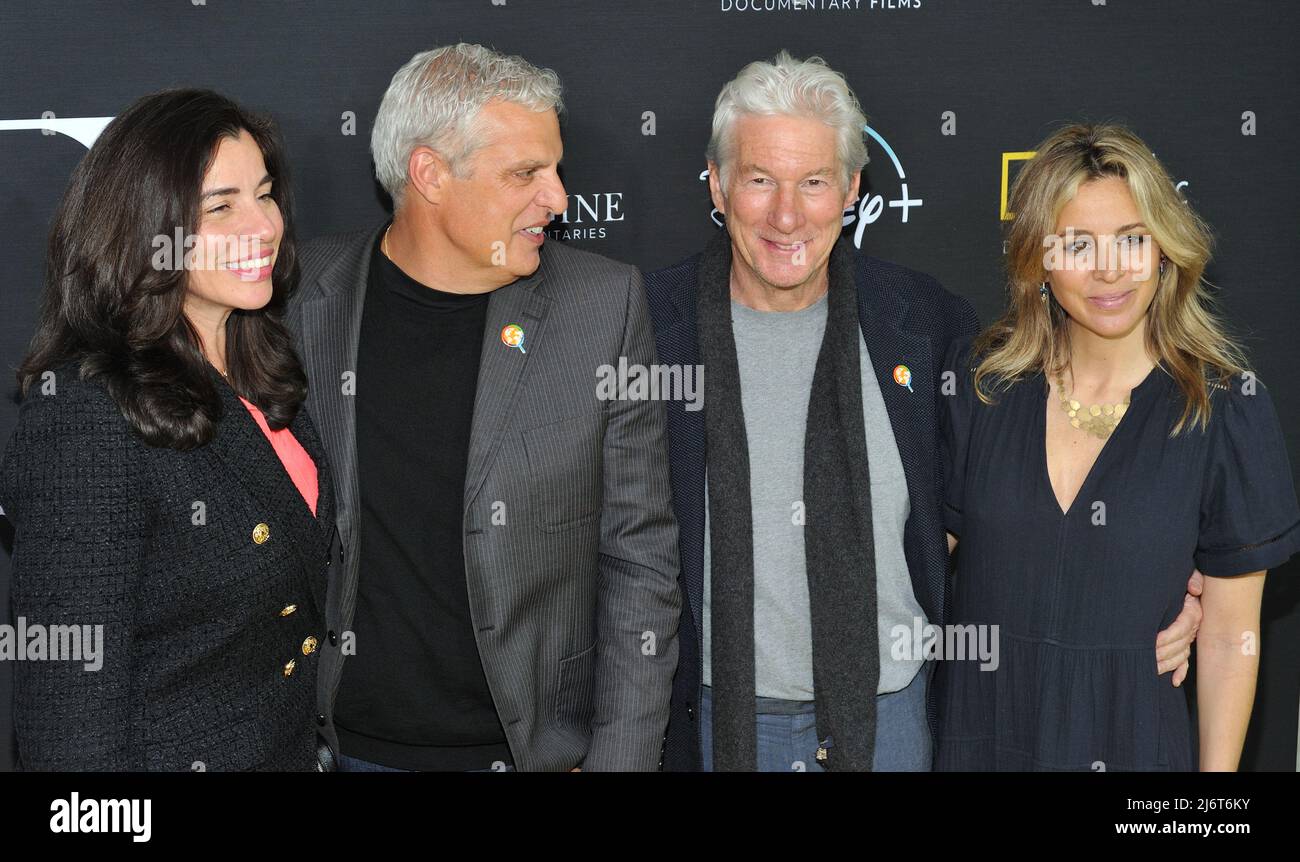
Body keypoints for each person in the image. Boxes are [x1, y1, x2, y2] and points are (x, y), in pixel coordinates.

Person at [647, 53, 1204, 772]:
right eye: (760, 180)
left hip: (894, 725)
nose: (787, 214)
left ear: (851, 189)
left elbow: (1014, 518)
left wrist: (1165, 598)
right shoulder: (648, 329)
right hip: (707, 723)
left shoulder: (926, 325)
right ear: (717, 185)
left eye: (814, 182)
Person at [286, 44, 680, 772]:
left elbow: (639, 558)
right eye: (525, 173)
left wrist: (621, 761)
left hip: (533, 755)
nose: (558, 198)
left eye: (555, 169)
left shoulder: (602, 306)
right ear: (430, 174)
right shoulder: (299, 298)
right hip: (342, 751)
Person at [936, 123, 1300, 771]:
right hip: (983, 737)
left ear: (1165, 250)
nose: (1109, 269)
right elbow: (914, 571)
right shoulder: (982, 388)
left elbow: (1228, 640)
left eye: (1132, 239)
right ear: (1039, 261)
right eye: (1077, 244)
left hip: (1134, 749)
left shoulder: (1224, 409)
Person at [0, 89, 335, 771]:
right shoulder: (86, 418)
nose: (262, 226)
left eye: (264, 195)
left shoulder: (267, 371)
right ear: (146, 226)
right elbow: (68, 734)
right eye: (220, 206)